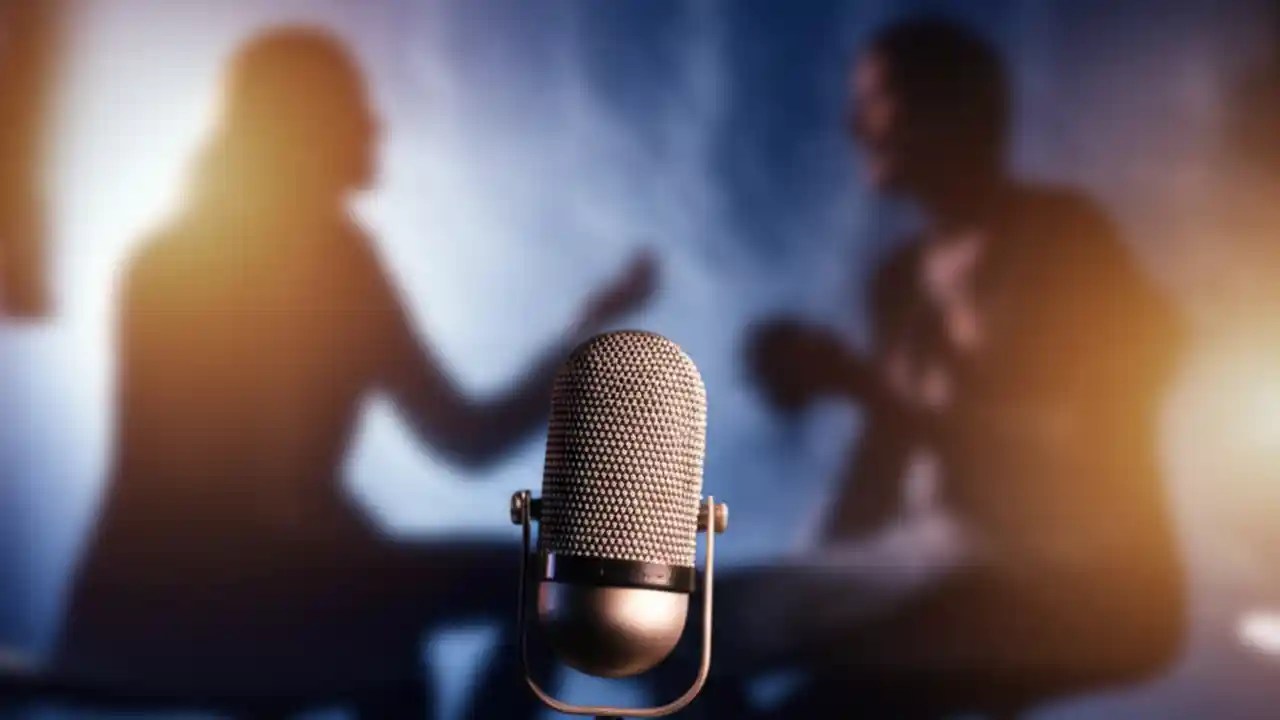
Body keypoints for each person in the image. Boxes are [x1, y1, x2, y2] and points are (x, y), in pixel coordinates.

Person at [55, 28, 655, 719]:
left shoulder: (174, 257)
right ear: (304, 126)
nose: (376, 125)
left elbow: (451, 442)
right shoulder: (324, 262)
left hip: (142, 616)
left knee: (396, 662)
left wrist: (588, 330)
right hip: (217, 599)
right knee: (547, 585)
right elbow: (457, 439)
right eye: (353, 106)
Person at [695, 19, 1185, 717]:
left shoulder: (1063, 234)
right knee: (693, 639)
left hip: (1081, 580)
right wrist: (808, 578)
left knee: (687, 634)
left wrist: (862, 387)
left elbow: (1076, 454)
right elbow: (880, 471)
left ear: (955, 103)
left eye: (880, 96)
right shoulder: (897, 286)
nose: (856, 125)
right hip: (940, 569)